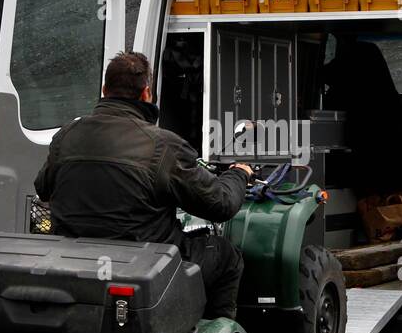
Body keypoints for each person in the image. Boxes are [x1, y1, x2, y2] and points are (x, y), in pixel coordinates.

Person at [35, 51, 252, 319]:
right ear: (146, 94)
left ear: (104, 90)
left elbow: (42, 187)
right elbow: (222, 205)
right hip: (146, 268)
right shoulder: (164, 146)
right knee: (227, 255)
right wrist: (239, 175)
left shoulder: (66, 135)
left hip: (75, 262)